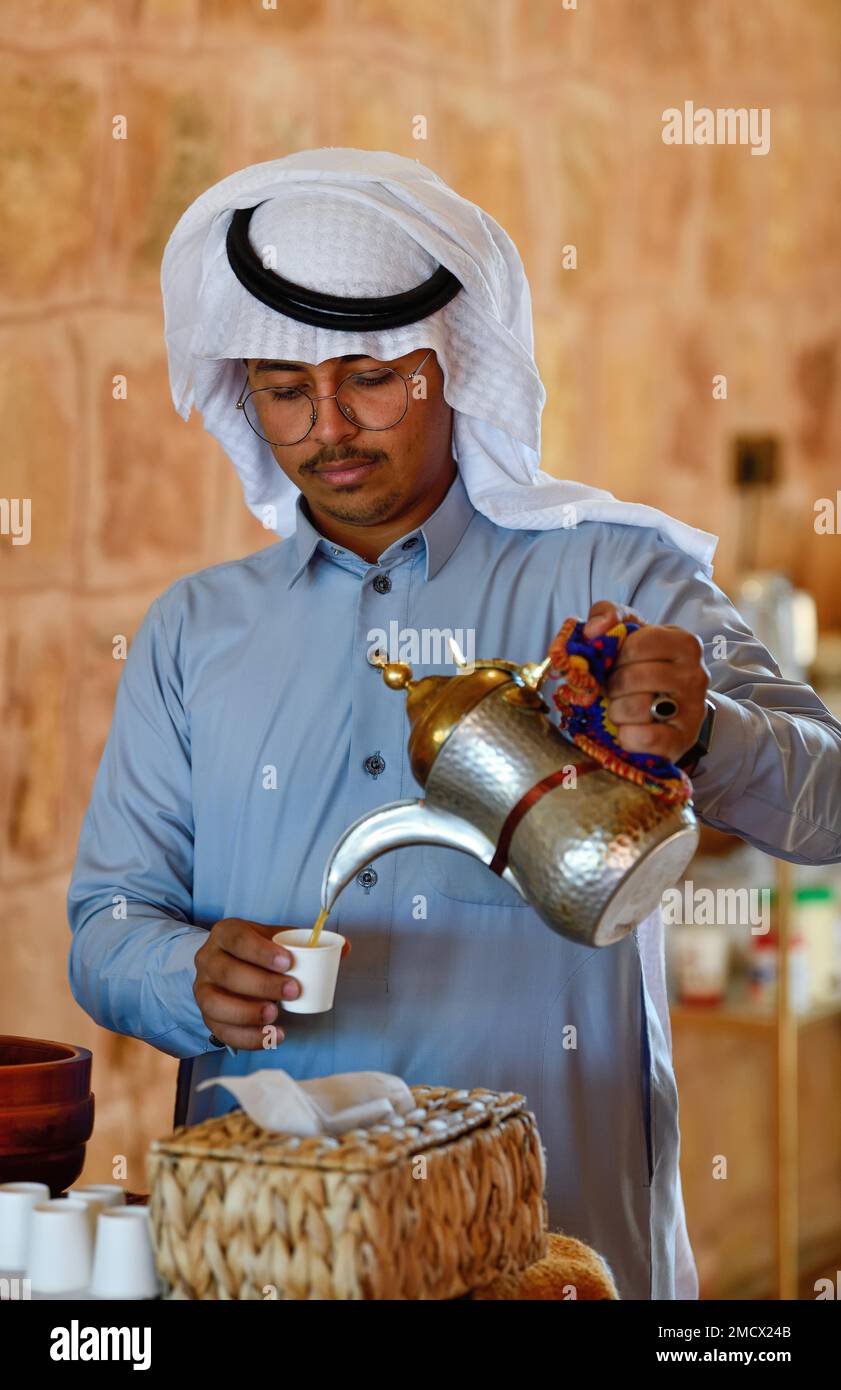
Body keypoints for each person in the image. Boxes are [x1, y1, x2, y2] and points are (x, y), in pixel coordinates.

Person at [67, 148, 841, 1300]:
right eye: (285, 390)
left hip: (560, 1250)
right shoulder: (193, 632)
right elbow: (104, 922)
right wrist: (186, 974)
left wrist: (703, 732)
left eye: (369, 377)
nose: (327, 425)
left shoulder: (617, 576)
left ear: (450, 366)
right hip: (288, 1258)